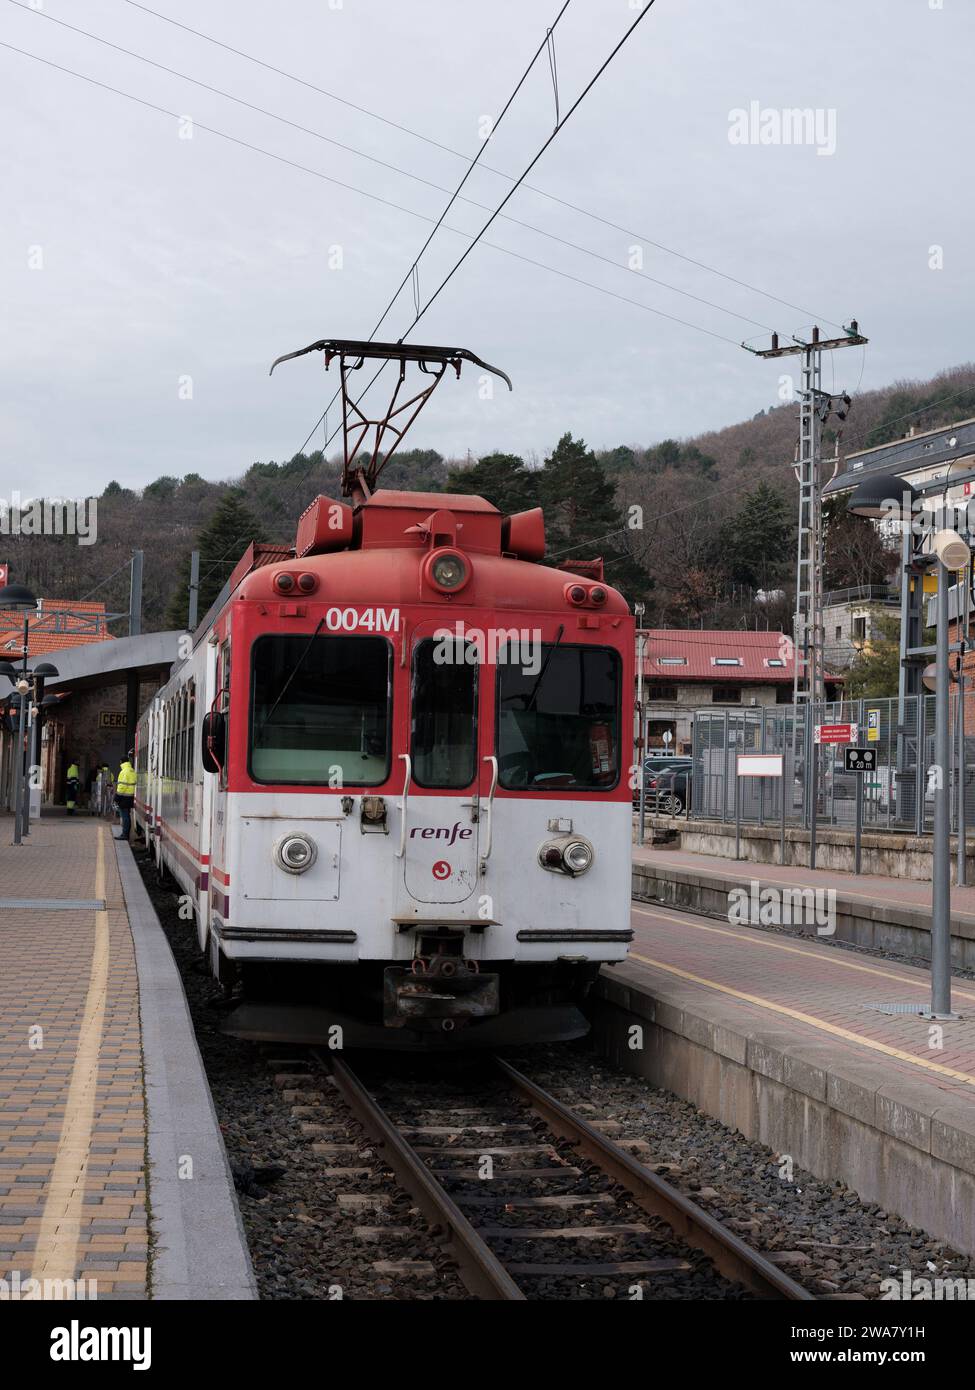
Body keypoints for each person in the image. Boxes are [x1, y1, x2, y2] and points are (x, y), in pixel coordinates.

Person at [115, 751, 137, 842]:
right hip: (130, 796)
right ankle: (125, 834)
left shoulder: (124, 771)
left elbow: (122, 786)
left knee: (125, 817)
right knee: (127, 816)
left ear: (121, 762)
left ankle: (125, 834)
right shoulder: (132, 770)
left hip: (124, 797)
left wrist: (117, 797)